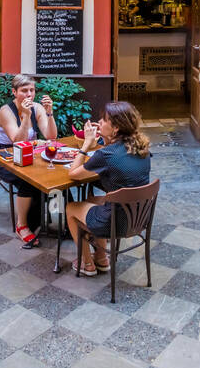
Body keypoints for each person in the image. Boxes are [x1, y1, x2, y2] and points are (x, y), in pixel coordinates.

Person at [64, 101, 152, 275]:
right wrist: (105, 139)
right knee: (92, 201)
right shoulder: (141, 147)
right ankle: (102, 259)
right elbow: (119, 165)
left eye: (103, 120)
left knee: (70, 208)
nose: (99, 122)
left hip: (116, 223)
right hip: (139, 217)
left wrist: (86, 144)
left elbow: (73, 174)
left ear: (116, 128)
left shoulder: (106, 155)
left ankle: (86, 264)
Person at [0, 74, 58, 247]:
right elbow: (17, 141)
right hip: (4, 157)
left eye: (32, 90)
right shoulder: (6, 111)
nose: (29, 94)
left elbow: (51, 136)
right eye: (24, 91)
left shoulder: (37, 108)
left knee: (53, 174)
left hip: (28, 155)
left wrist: (49, 112)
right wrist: (26, 117)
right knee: (27, 180)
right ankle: (22, 225)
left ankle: (51, 219)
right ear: (14, 92)